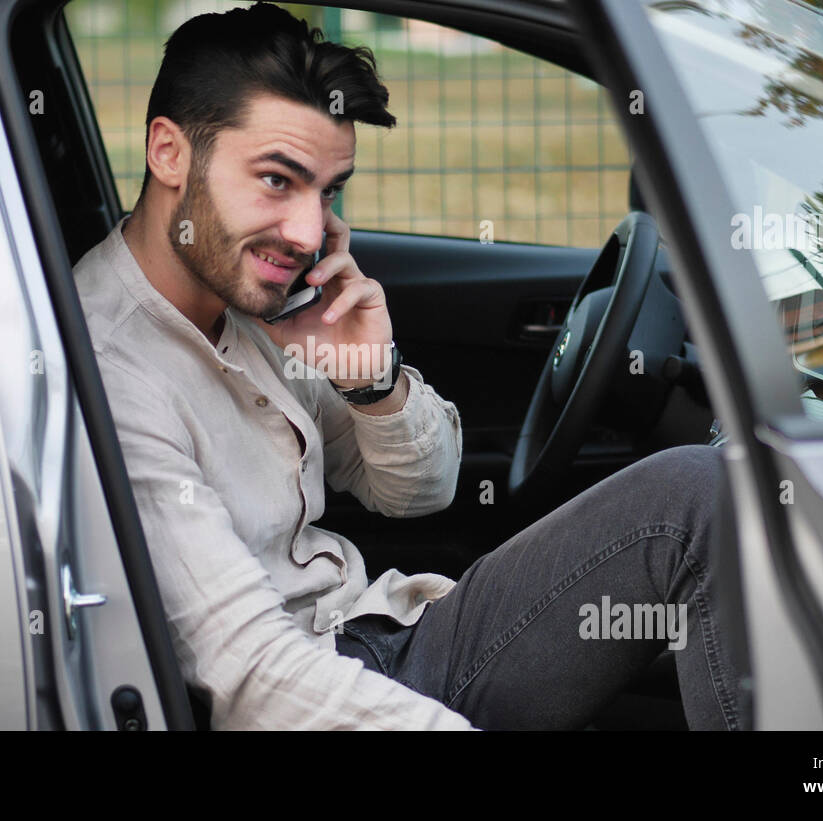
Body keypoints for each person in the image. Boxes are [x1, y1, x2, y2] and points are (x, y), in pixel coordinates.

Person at [73, 2, 744, 730]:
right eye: (277, 180)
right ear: (169, 153)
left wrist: (372, 379)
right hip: (316, 692)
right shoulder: (110, 369)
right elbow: (252, 676)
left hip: (383, 628)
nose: (307, 231)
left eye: (327, 191)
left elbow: (417, 494)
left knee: (694, 495)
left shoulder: (251, 302)